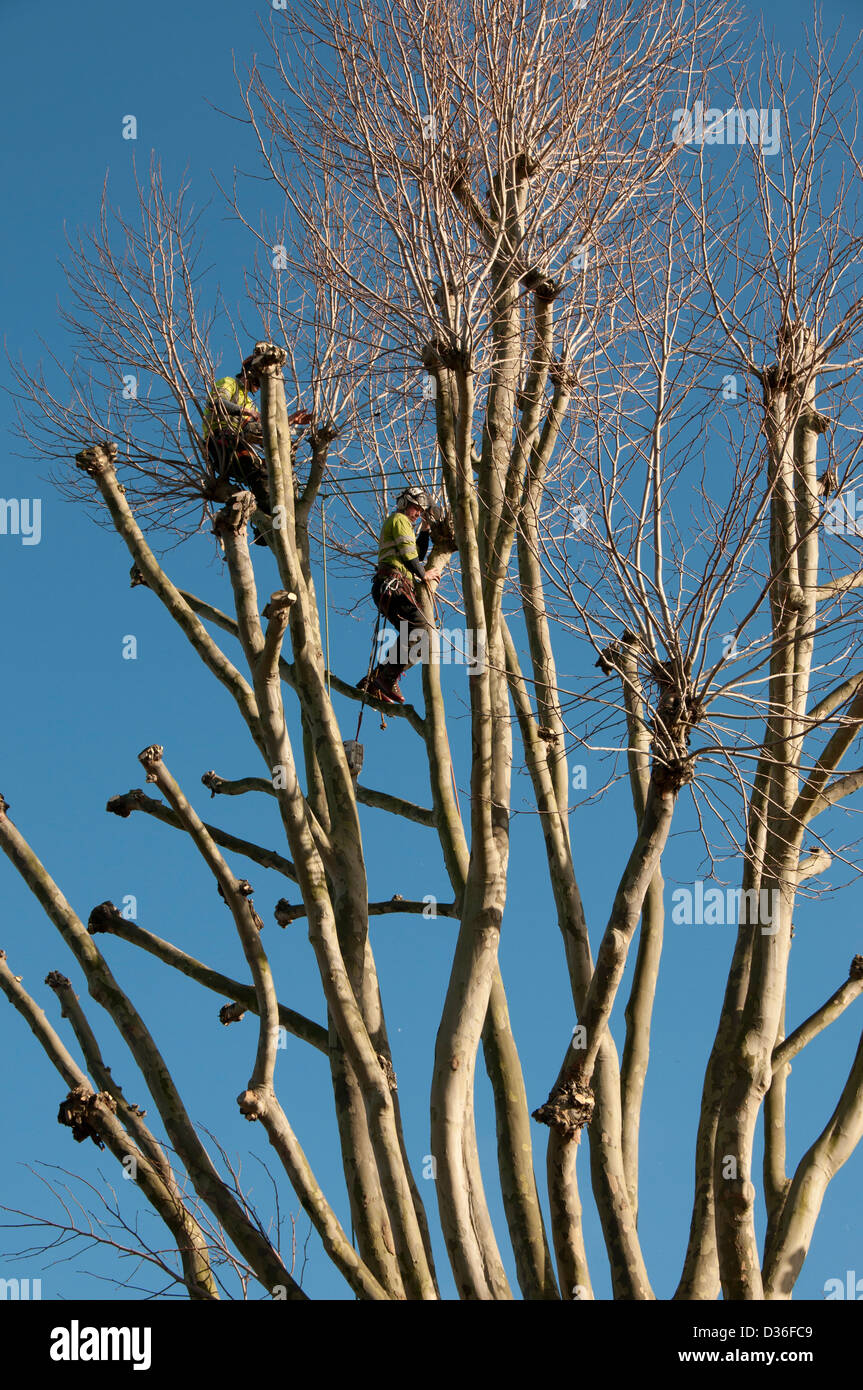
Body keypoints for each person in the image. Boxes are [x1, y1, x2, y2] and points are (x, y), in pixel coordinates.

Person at [357, 487, 438, 704]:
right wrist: (424, 575)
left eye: (421, 510)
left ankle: (376, 679)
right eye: (416, 508)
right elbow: (410, 556)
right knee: (421, 628)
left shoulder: (407, 527)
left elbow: (417, 553)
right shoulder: (399, 519)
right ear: (404, 504)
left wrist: (425, 530)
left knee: (421, 643)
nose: (417, 513)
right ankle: (386, 678)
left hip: (395, 588)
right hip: (392, 585)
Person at [204, 357, 313, 514]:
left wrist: (288, 421)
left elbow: (265, 426)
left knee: (261, 475)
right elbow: (215, 403)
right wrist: (245, 411)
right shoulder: (229, 383)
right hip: (221, 440)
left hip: (239, 443)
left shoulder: (249, 401)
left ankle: (270, 517)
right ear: (249, 373)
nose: (259, 387)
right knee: (253, 428)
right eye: (258, 381)